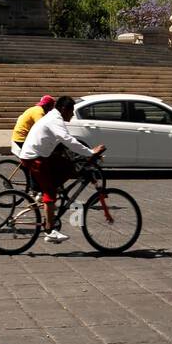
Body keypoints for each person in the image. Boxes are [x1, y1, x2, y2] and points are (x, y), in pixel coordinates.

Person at [19, 95, 103, 243]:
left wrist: (81, 155)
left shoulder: (53, 116)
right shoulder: (55, 119)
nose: (72, 115)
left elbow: (63, 142)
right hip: (34, 158)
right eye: (71, 111)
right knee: (50, 192)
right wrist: (90, 152)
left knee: (67, 166)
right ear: (64, 109)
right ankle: (50, 231)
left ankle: (47, 192)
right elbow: (67, 139)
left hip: (40, 154)